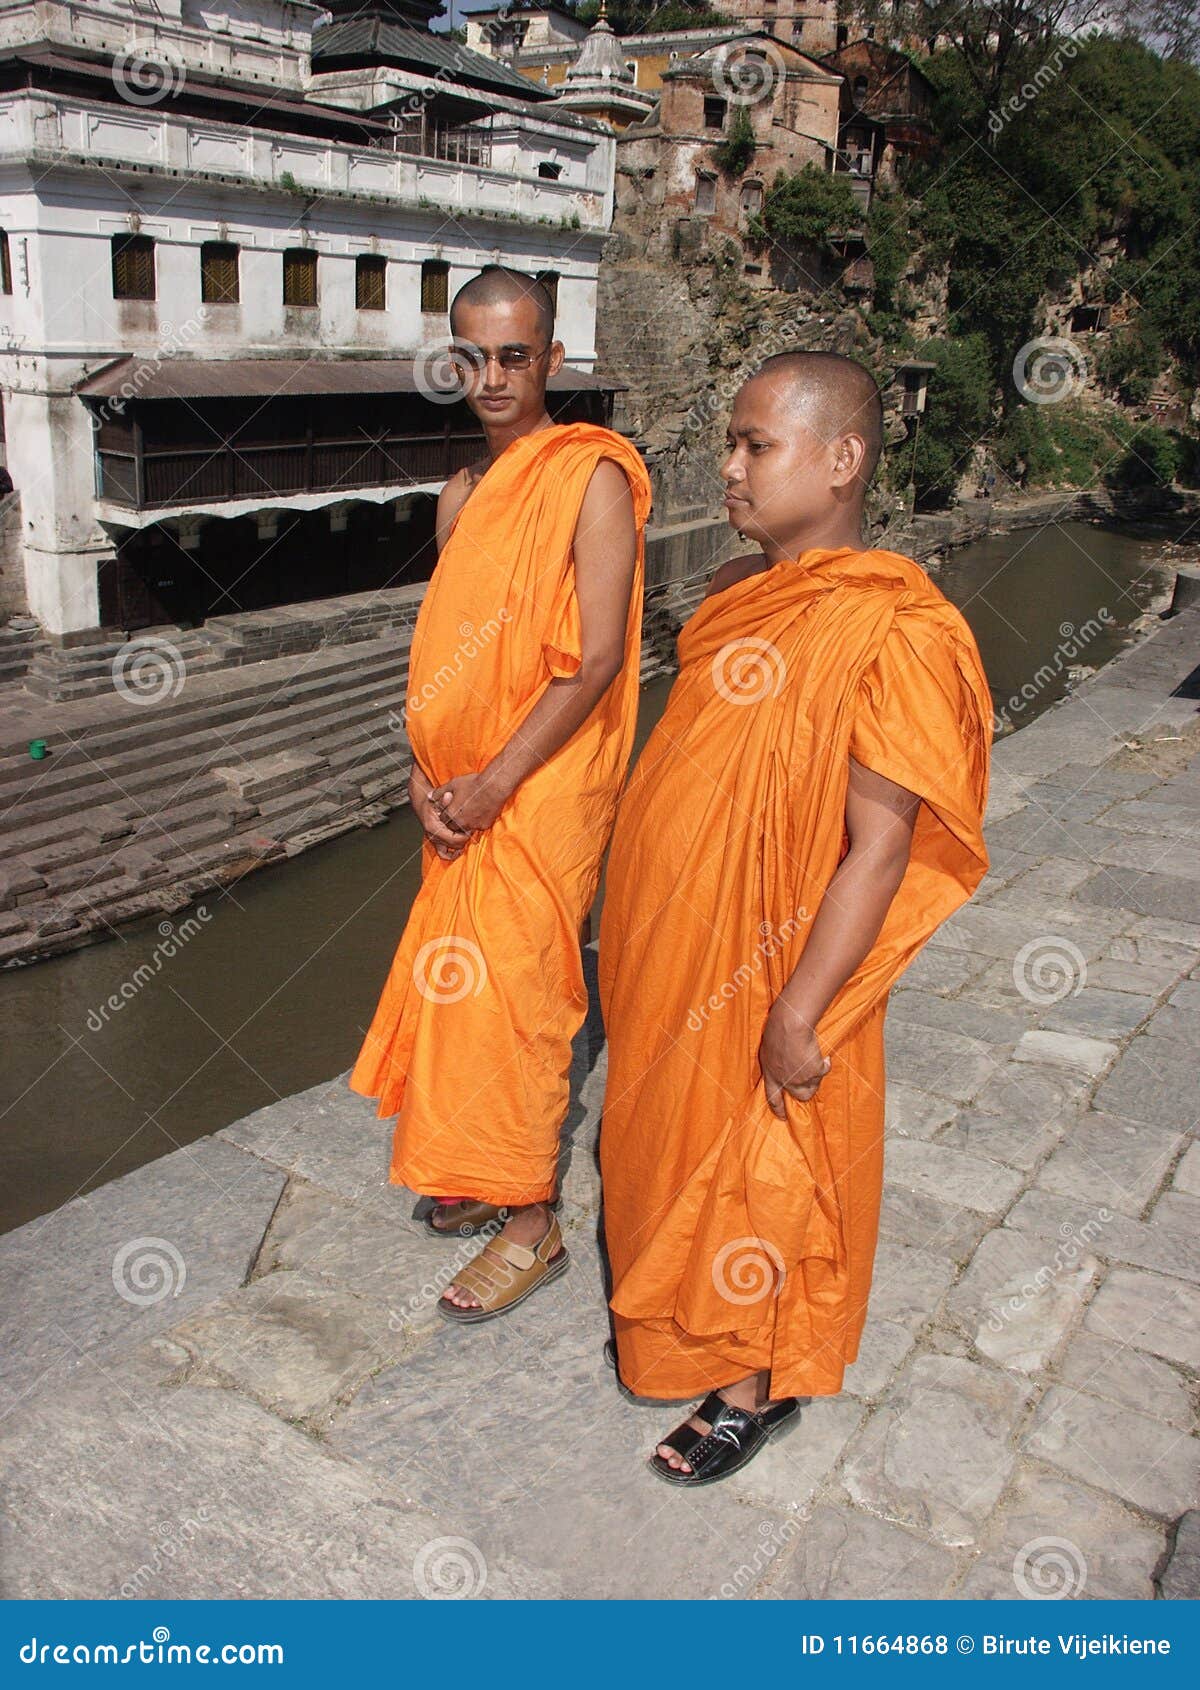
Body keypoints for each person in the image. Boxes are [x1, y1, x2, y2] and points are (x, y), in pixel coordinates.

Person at [598, 351, 991, 1484]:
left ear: (841, 458)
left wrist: (803, 1004)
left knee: (770, 1157)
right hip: (676, 939)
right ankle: (683, 1322)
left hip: (778, 955)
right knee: (669, 1133)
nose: (727, 467)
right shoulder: (735, 591)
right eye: (730, 441)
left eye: (754, 446)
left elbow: (882, 844)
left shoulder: (893, 630)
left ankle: (751, 1387)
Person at [349, 266, 651, 1323]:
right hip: (465, 786)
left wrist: (498, 781)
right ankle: (478, 1171)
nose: (492, 376)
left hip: (545, 783)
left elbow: (601, 654)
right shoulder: (461, 498)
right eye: (472, 356)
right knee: (460, 982)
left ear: (551, 360)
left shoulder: (591, 477)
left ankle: (532, 1220)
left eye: (514, 355)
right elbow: (446, 661)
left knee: (521, 994)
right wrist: (425, 776)